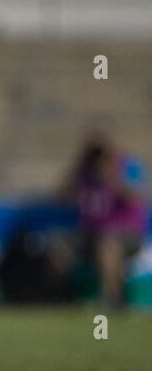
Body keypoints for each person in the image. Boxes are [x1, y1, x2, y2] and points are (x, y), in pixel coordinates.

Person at [62, 129, 148, 309]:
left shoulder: (125, 166)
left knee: (108, 245)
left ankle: (111, 298)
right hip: (90, 234)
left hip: (126, 234)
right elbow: (61, 194)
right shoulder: (84, 172)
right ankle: (59, 297)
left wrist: (112, 178)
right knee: (58, 246)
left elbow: (134, 198)